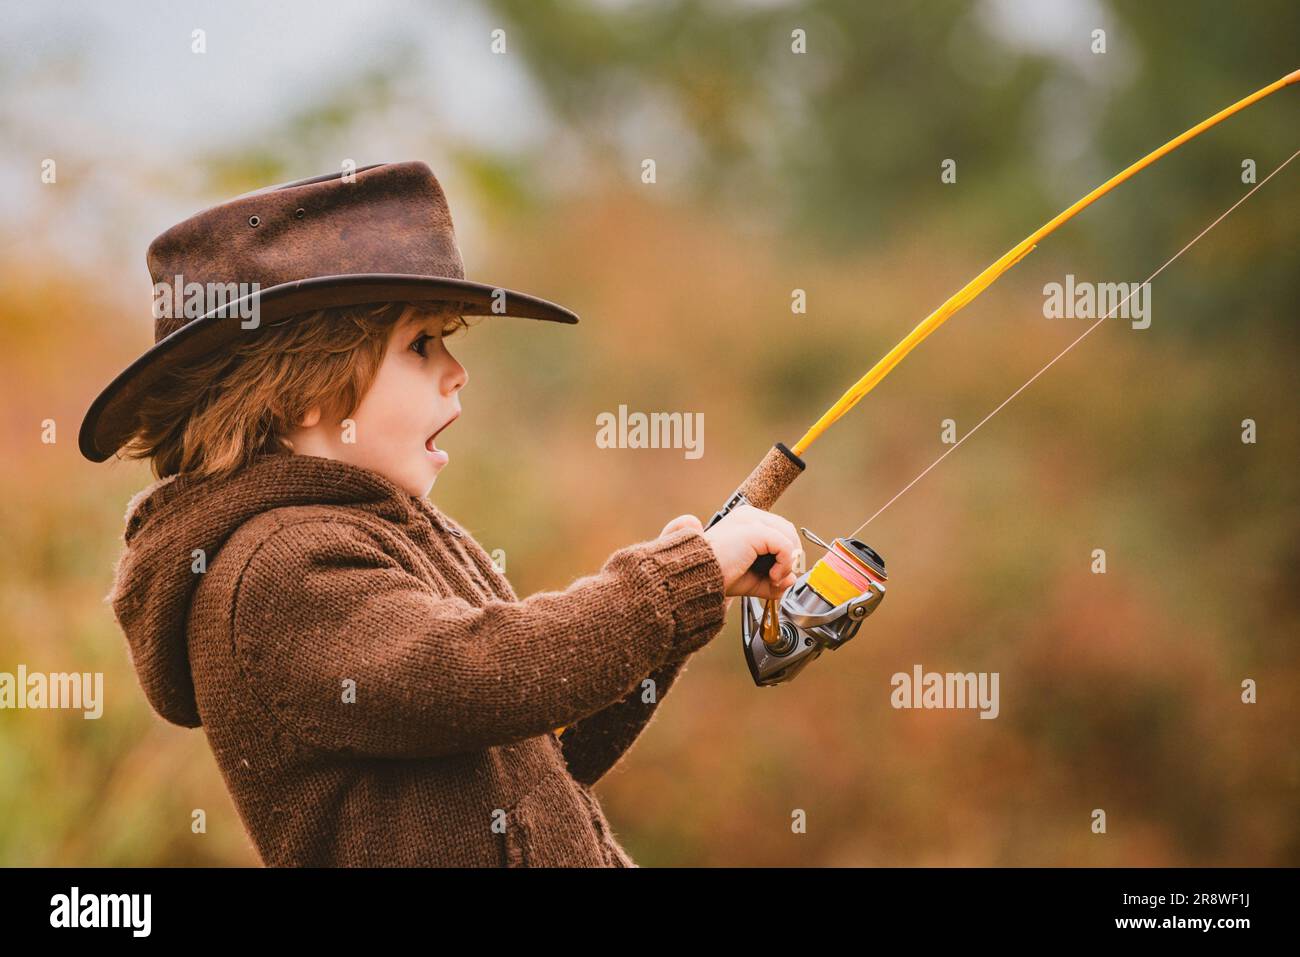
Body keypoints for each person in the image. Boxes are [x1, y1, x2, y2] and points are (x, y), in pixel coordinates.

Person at [80, 162, 801, 866]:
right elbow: (481, 671)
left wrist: (681, 601)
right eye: (422, 344)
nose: (456, 370)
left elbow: (537, 750)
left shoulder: (390, 530)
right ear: (303, 389)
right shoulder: (275, 573)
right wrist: (668, 586)